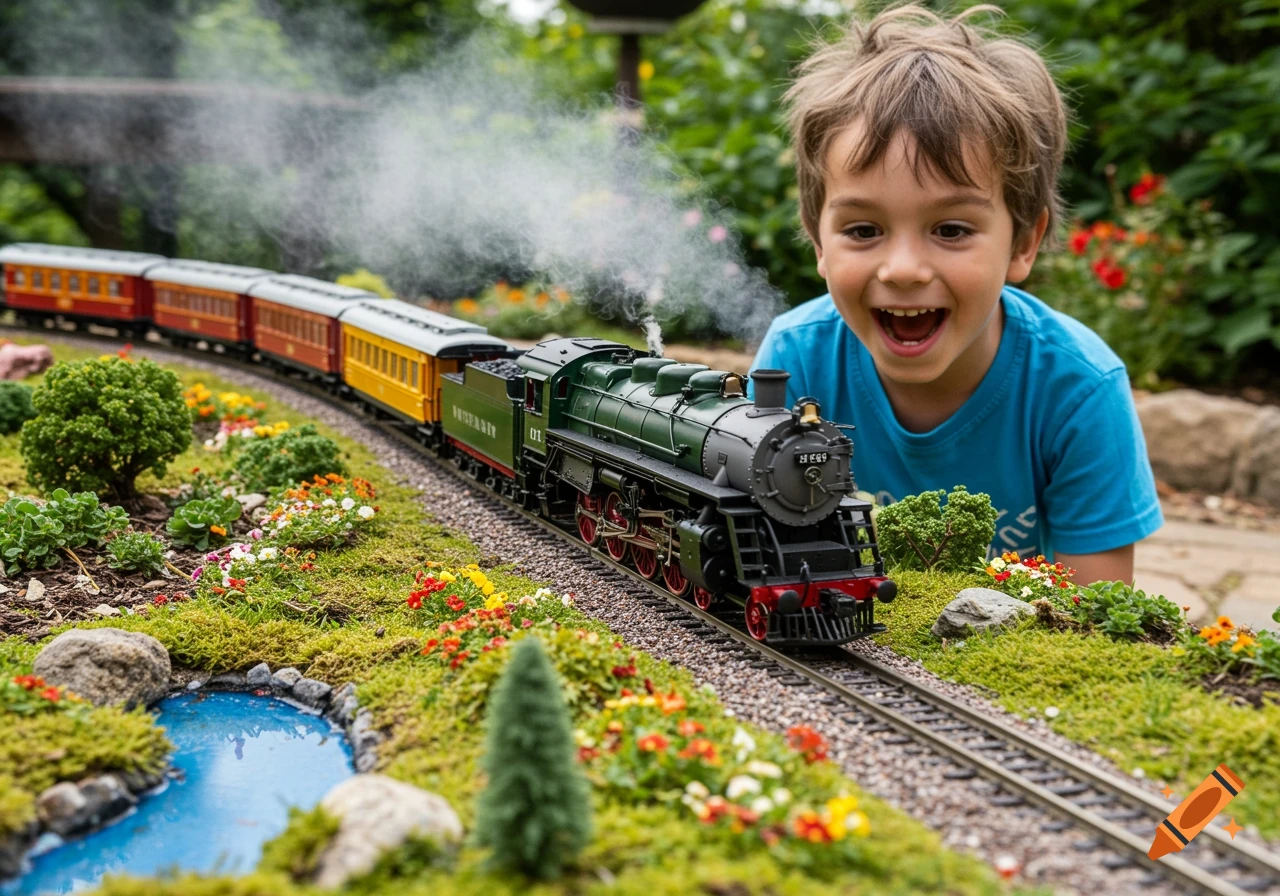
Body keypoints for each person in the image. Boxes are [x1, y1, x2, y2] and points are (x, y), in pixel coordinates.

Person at [750, 3, 1162, 586]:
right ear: (819, 240)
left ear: (1024, 242)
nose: (903, 269)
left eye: (952, 230)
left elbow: (1095, 618)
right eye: (864, 230)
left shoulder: (1079, 389)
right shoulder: (795, 362)